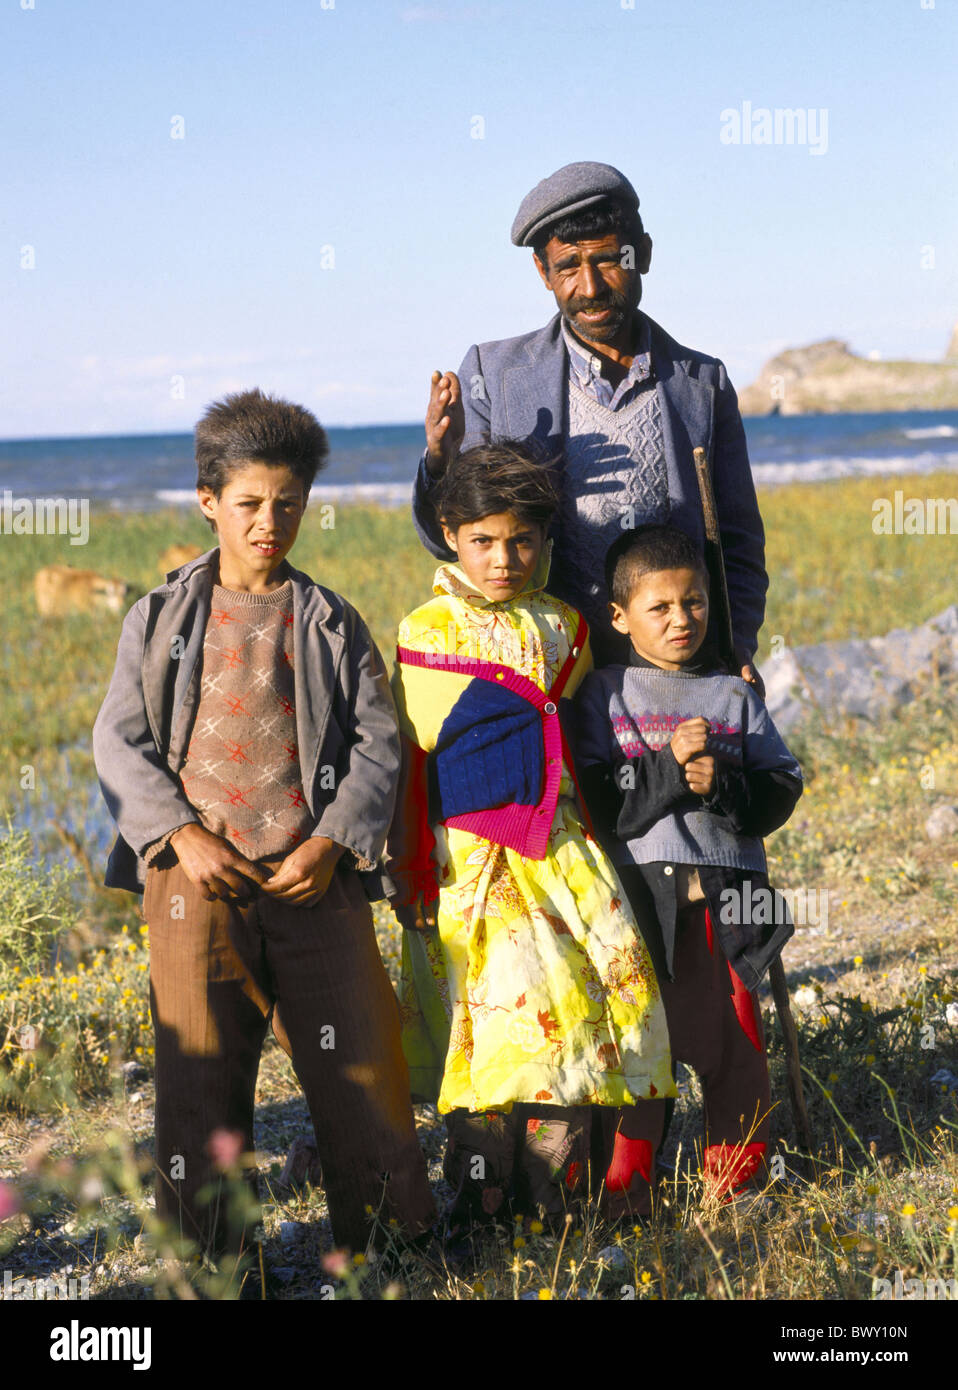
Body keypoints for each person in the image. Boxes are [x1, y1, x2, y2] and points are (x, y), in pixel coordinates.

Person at [92, 388, 435, 1285]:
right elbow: (118, 741)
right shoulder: (159, 618)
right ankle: (215, 1265)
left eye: (288, 503)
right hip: (194, 881)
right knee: (198, 1079)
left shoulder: (327, 621)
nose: (269, 522)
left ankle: (386, 1248)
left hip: (312, 880)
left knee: (362, 1063)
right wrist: (177, 833)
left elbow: (378, 741)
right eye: (249, 503)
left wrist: (332, 844)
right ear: (209, 501)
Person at [386, 440, 674, 1236]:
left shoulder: (565, 628)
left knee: (580, 1008)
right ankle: (482, 1205)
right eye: (483, 540)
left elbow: (587, 732)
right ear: (449, 534)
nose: (504, 557)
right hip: (472, 860)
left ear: (545, 541)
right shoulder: (425, 629)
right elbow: (411, 761)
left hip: (567, 852)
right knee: (494, 1022)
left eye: (522, 540)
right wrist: (407, 870)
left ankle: (554, 1203)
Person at [412, 160, 767, 680]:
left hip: (675, 676)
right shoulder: (495, 373)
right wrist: (442, 463)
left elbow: (738, 541)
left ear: (642, 253)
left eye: (607, 260)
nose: (590, 286)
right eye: (568, 267)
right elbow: (452, 539)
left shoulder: (703, 383)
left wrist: (735, 646)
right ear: (542, 271)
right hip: (546, 677)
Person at [570, 524, 803, 1214]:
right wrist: (668, 768)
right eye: (660, 607)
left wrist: (721, 784)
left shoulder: (733, 693)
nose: (681, 620)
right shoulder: (605, 698)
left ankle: (734, 1188)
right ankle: (624, 1195)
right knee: (642, 1052)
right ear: (619, 617)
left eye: (695, 602)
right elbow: (604, 806)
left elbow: (780, 789)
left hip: (728, 907)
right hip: (642, 910)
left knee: (735, 1049)